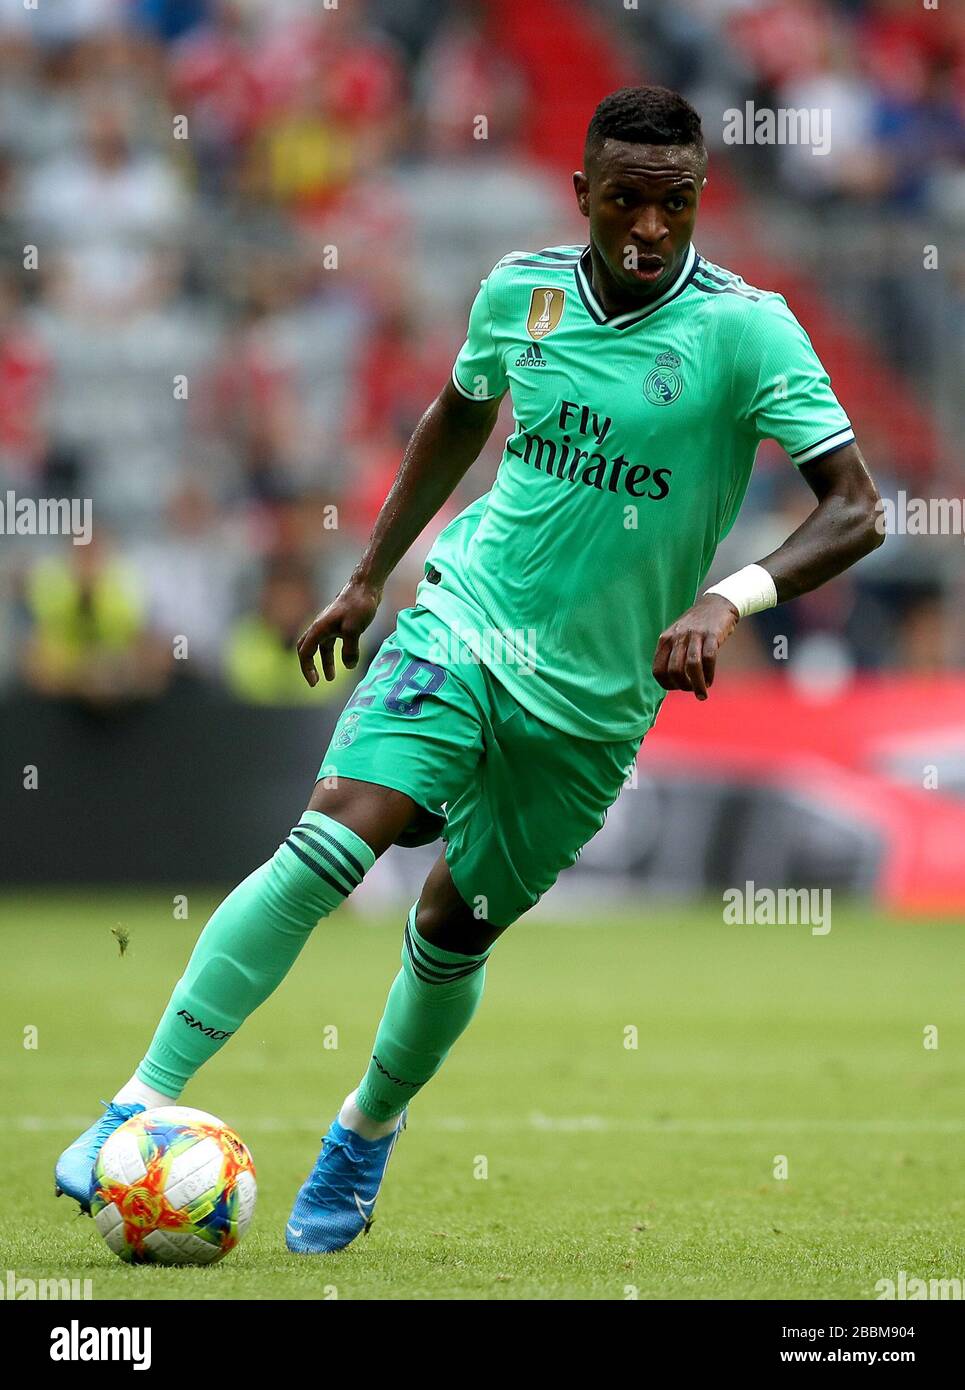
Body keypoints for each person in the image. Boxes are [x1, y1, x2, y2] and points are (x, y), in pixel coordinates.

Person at [55, 86, 883, 1253]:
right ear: (580, 195)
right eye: (626, 202)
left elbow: (856, 508)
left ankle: (363, 1127)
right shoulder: (522, 292)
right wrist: (369, 573)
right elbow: (455, 414)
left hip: (593, 703)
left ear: (700, 198)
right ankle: (134, 1102)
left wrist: (725, 595)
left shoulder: (745, 330)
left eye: (675, 204)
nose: (649, 228)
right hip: (467, 618)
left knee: (453, 924)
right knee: (335, 837)